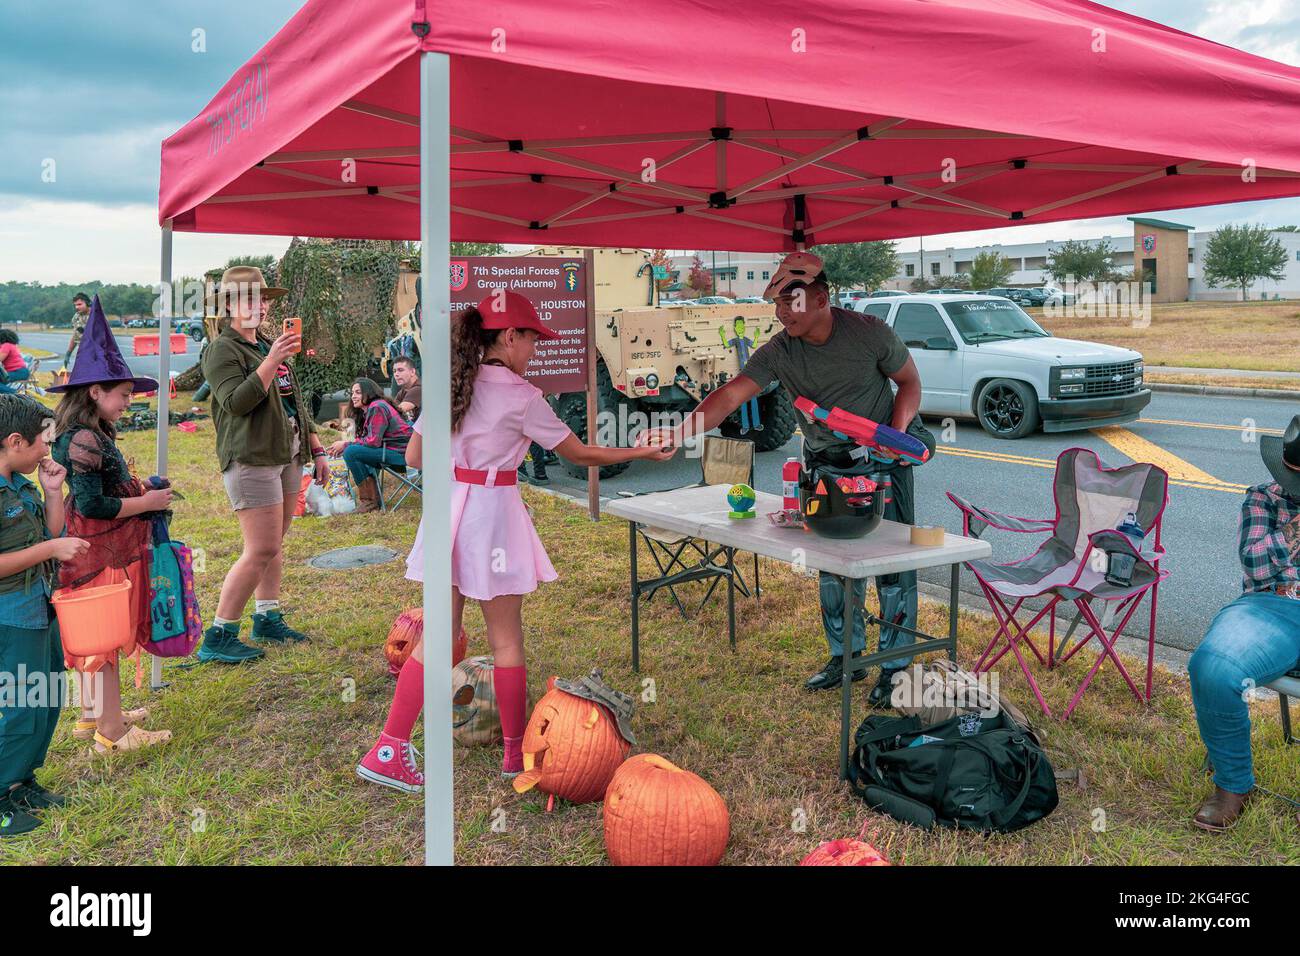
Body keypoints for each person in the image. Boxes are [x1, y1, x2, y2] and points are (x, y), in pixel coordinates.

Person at [356, 292, 673, 791]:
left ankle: (389, 746)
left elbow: (414, 458)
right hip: (492, 514)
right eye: (531, 339)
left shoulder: (448, 385)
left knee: (440, 634)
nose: (535, 350)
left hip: (447, 511)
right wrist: (641, 451)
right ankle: (511, 754)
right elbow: (580, 453)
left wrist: (462, 465)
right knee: (506, 638)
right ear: (509, 336)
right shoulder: (523, 396)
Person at [636, 252, 934, 702]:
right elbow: (731, 394)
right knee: (831, 568)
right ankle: (845, 656)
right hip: (825, 468)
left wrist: (893, 430)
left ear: (820, 299)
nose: (780, 313)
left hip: (883, 464)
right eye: (776, 303)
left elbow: (910, 383)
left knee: (893, 564)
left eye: (789, 302)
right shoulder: (778, 351)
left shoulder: (870, 334)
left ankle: (893, 668)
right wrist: (680, 432)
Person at [47, 295, 173, 754]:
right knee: (104, 638)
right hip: (96, 550)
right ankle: (113, 734)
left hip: (88, 550)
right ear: (95, 391)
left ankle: (95, 715)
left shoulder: (82, 433)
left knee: (94, 638)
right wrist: (149, 502)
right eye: (123, 394)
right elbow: (95, 505)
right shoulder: (85, 438)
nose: (127, 402)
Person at [199, 266, 330, 663]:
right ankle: (220, 634)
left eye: (262, 299)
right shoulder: (223, 349)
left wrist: (316, 446)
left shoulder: (266, 346)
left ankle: (267, 616)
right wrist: (271, 361)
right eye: (247, 299)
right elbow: (236, 402)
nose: (257, 306)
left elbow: (293, 403)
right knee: (261, 548)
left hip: (285, 452)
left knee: (274, 545)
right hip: (251, 456)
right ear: (228, 306)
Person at [1187, 414, 1300, 831]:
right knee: (1213, 668)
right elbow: (1255, 564)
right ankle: (1233, 785)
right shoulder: (1263, 498)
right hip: (1274, 605)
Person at [0, 394, 87, 835]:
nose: (47, 452)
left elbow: (50, 531)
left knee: (48, 695)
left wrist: (54, 492)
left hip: (39, 605)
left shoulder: (23, 481)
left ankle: (21, 781)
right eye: (43, 443)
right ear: (15, 441)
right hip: (10, 614)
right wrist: (52, 549)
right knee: (20, 704)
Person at [325, 377, 411, 514]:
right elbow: (368, 441)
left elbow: (372, 442)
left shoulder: (377, 407)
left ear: (369, 392)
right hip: (395, 452)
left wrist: (345, 445)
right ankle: (373, 498)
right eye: (352, 393)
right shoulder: (372, 408)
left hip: (404, 456)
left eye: (358, 392)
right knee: (355, 450)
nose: (353, 396)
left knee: (352, 452)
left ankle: (370, 502)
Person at [64, 293, 91, 370]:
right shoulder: (76, 317)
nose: (77, 307)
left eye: (79, 304)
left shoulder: (96, 316)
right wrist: (68, 353)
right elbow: (75, 336)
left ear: (88, 303)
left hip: (97, 352)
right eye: (75, 305)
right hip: (83, 351)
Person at [0, 330, 32, 394]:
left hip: (18, 372)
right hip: (21, 372)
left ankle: (15, 393)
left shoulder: (6, 345)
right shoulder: (11, 345)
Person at [390, 355, 421, 421]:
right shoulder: (403, 391)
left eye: (400, 370)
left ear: (412, 372)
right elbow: (391, 408)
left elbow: (396, 412)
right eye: (394, 371)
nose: (396, 374)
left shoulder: (418, 389)